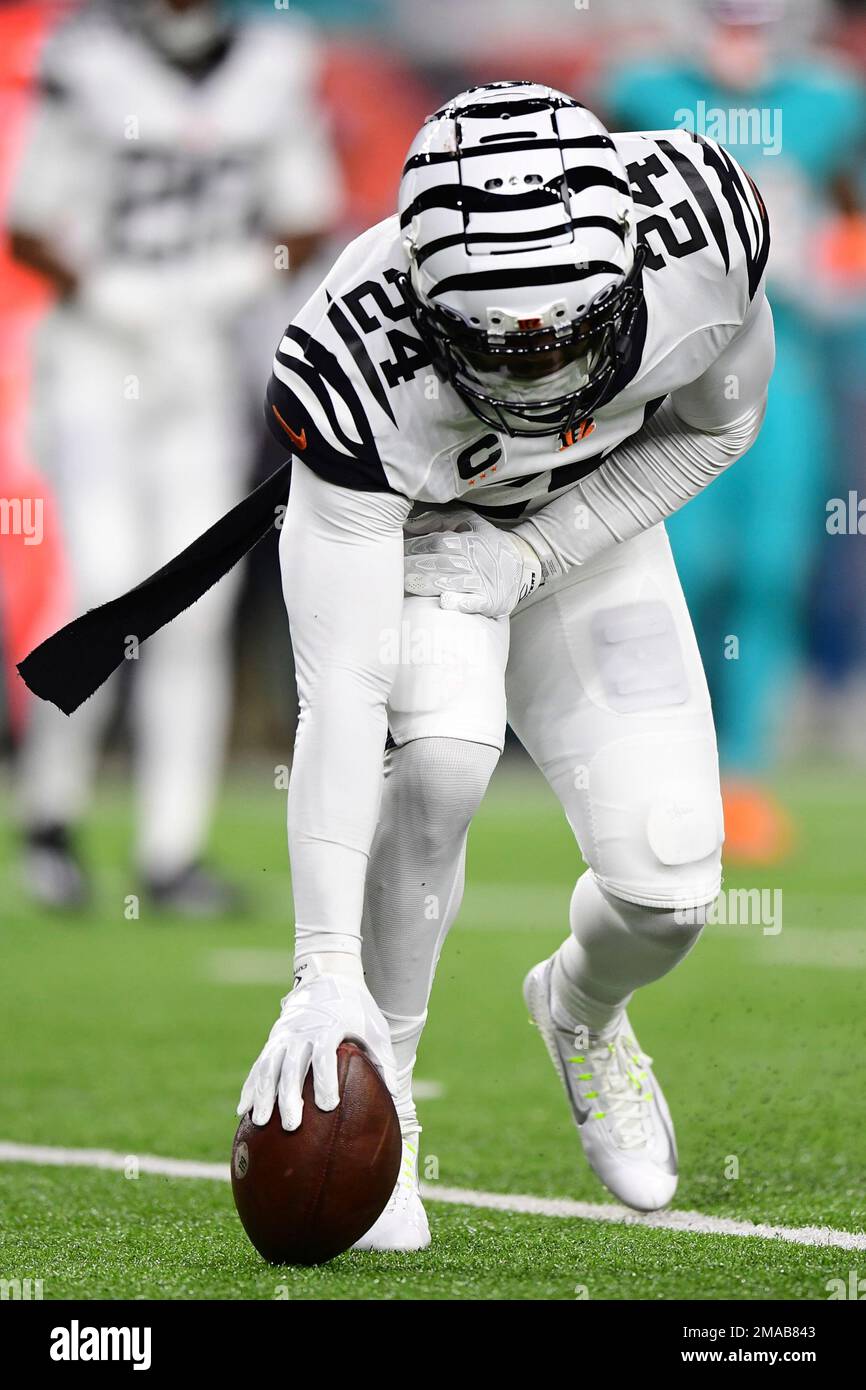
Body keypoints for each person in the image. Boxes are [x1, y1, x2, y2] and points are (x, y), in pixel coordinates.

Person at [234, 81, 773, 1248]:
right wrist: (317, 968)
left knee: (671, 883)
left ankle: (580, 1009)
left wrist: (532, 554)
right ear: (427, 306)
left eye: (572, 336)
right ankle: (384, 1072)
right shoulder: (352, 359)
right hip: (421, 544)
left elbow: (720, 424)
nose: (538, 380)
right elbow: (340, 697)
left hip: (587, 529)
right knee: (437, 763)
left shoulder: (704, 231)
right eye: (497, 347)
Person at [9, 0, 341, 913]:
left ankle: (171, 850)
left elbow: (304, 217)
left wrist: (224, 283)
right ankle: (51, 816)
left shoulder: (276, 59)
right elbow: (28, 219)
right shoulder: (85, 58)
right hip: (94, 357)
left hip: (204, 362)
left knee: (194, 602)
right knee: (102, 582)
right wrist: (115, 293)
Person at [604, 0, 866, 860]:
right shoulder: (639, 88)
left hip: (783, 357)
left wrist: (839, 270)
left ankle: (741, 776)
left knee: (768, 570)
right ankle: (656, 765)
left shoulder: (830, 99)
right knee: (681, 568)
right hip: (674, 365)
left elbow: (846, 204)